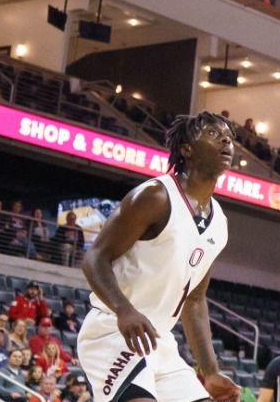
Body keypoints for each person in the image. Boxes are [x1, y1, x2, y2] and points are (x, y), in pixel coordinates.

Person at [76, 112, 240, 402]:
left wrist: (210, 370)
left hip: (159, 341)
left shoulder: (219, 224)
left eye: (229, 137)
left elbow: (195, 300)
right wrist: (124, 310)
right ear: (186, 149)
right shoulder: (155, 196)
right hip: (113, 331)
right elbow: (95, 258)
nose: (226, 141)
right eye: (214, 134)